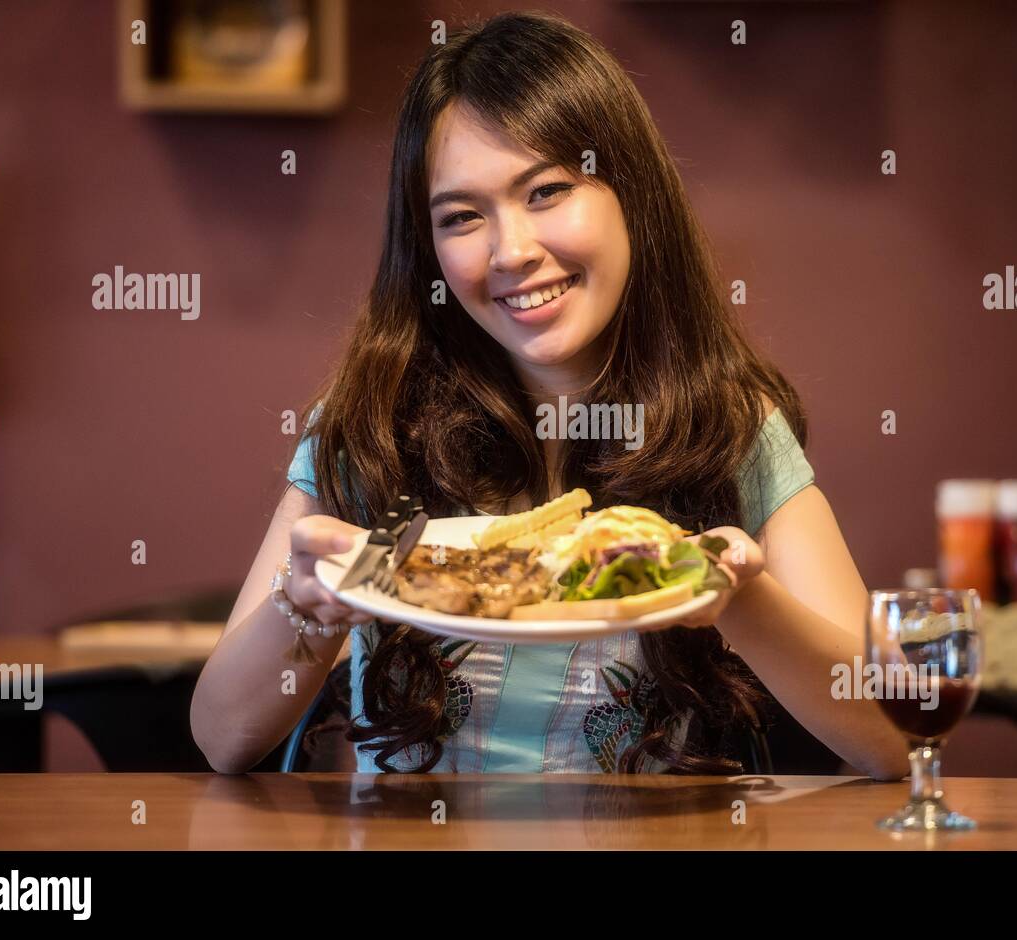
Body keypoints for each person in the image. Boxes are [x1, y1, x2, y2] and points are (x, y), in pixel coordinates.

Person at [191, 11, 908, 779]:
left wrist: (736, 596)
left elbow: (895, 733)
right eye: (462, 216)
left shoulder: (726, 429)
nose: (512, 252)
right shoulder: (370, 424)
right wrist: (304, 607)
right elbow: (222, 737)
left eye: (547, 191)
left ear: (632, 195)